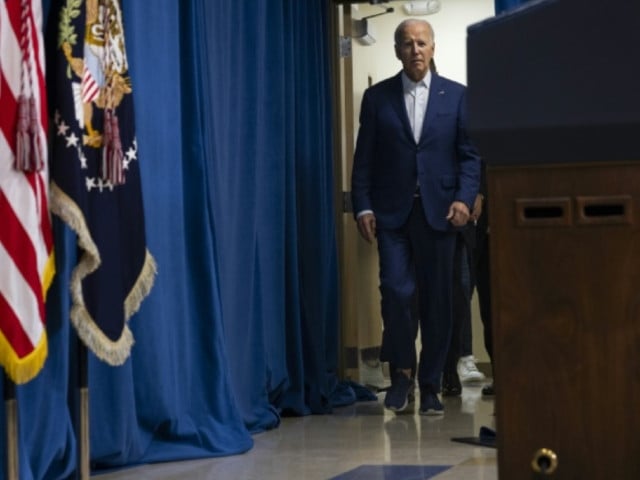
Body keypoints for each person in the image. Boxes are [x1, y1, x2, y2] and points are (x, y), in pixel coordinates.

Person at [350, 19, 481, 416]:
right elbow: (363, 161)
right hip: (394, 217)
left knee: (439, 303)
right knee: (396, 291)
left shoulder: (457, 96)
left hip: (442, 215)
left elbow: (470, 156)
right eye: (407, 44)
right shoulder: (377, 98)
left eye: (422, 42)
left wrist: (464, 197)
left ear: (433, 47)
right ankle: (402, 374)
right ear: (397, 51)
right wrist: (364, 206)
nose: (415, 50)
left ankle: (430, 385)